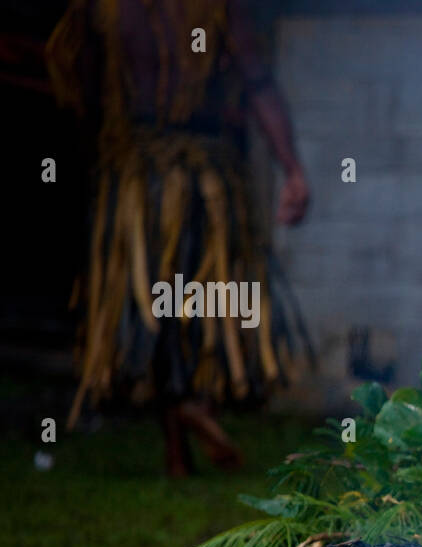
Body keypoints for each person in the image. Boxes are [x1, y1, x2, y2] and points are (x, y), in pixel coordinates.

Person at [46, 0, 310, 476]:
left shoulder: (104, 7)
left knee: (157, 309)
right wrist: (291, 168)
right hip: (204, 173)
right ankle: (194, 410)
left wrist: (104, 144)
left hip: (135, 174)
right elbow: (257, 81)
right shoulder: (214, 7)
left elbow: (81, 82)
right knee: (201, 303)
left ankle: (177, 449)